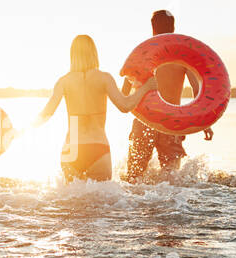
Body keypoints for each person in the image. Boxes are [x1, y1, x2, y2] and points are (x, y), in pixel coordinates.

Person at [33, 35, 158, 182]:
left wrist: (20, 131)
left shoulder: (64, 81)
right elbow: (125, 106)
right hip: (98, 146)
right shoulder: (104, 78)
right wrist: (146, 88)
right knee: (101, 202)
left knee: (70, 200)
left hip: (71, 148)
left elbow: (46, 114)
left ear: (72, 55)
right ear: (93, 53)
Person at [120, 9, 212, 181]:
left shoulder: (141, 54)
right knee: (172, 180)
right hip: (172, 122)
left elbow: (124, 94)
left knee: (134, 178)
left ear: (152, 29)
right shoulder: (182, 55)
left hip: (144, 121)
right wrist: (205, 123)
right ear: (173, 28)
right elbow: (195, 88)